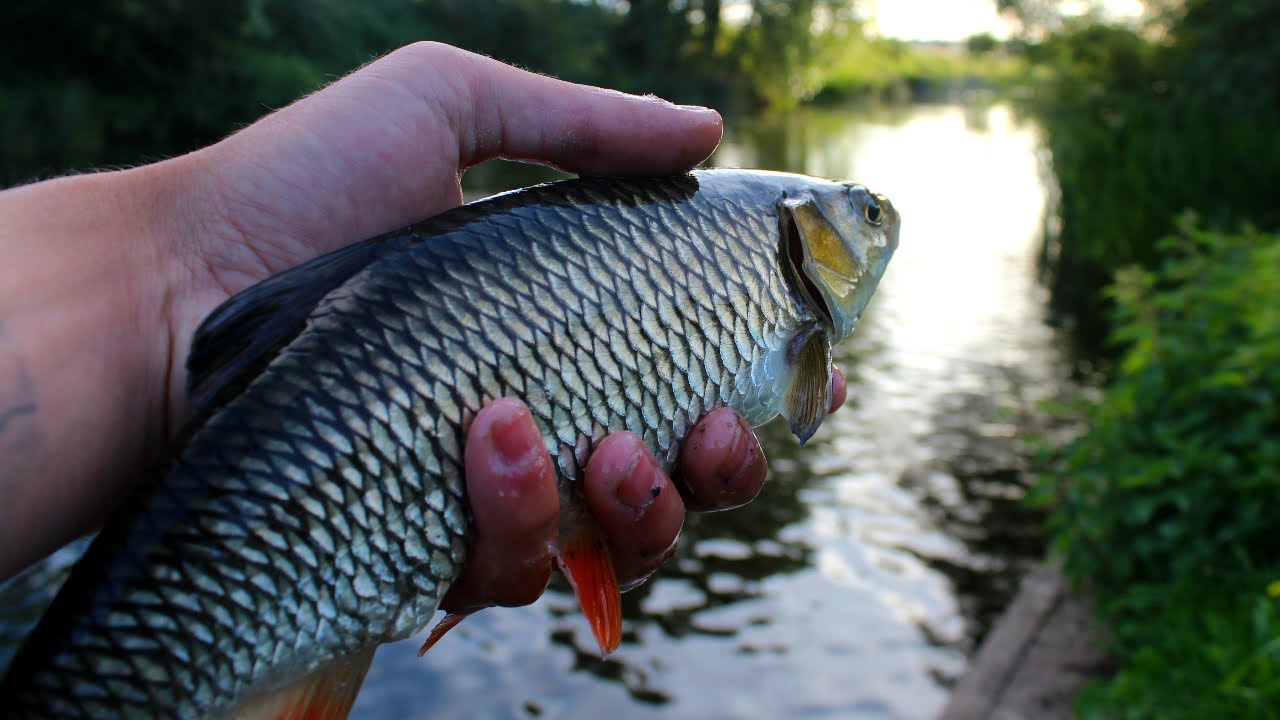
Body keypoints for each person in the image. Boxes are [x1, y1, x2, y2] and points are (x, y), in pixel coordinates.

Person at [0, 42, 845, 611]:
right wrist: (177, 275)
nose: (872, 224)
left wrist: (173, 283)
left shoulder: (756, 249)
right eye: (863, 215)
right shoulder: (777, 270)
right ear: (811, 234)